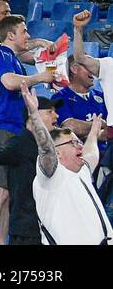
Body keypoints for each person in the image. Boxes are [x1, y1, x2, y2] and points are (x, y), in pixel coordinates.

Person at [0, 94, 60, 246]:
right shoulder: (20, 143)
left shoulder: (55, 144)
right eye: (50, 111)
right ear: (33, 115)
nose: (56, 115)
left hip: (49, 224)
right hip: (26, 230)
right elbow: (1, 152)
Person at [27, 86, 113, 245]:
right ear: (57, 152)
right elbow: (46, 148)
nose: (79, 146)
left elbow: (91, 153)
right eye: (73, 143)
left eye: (79, 142)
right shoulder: (50, 177)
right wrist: (35, 117)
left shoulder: (81, 172)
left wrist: (93, 132)